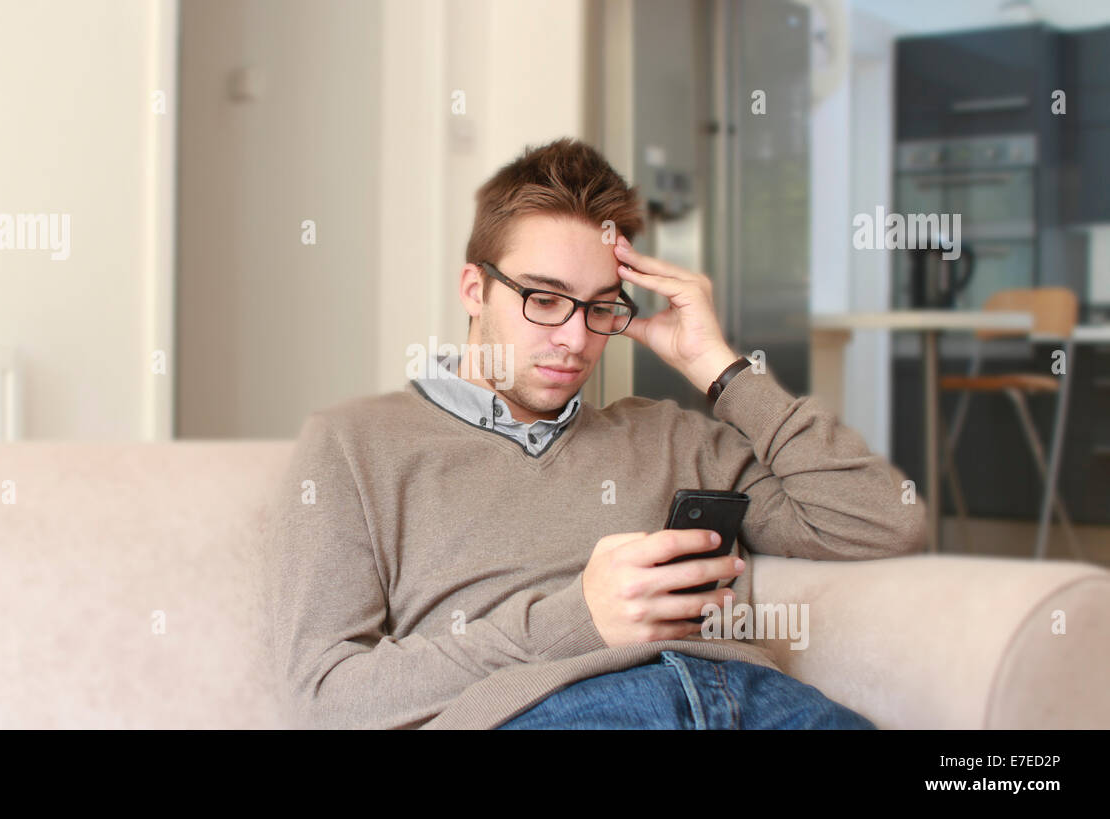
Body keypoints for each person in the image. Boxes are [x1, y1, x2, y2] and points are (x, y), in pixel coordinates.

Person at [262, 137, 927, 730]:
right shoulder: (354, 443)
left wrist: (718, 367)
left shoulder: (670, 434)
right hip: (555, 711)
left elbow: (885, 523)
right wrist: (580, 618)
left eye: (601, 306)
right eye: (544, 299)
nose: (575, 339)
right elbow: (324, 699)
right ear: (474, 288)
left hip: (756, 699)